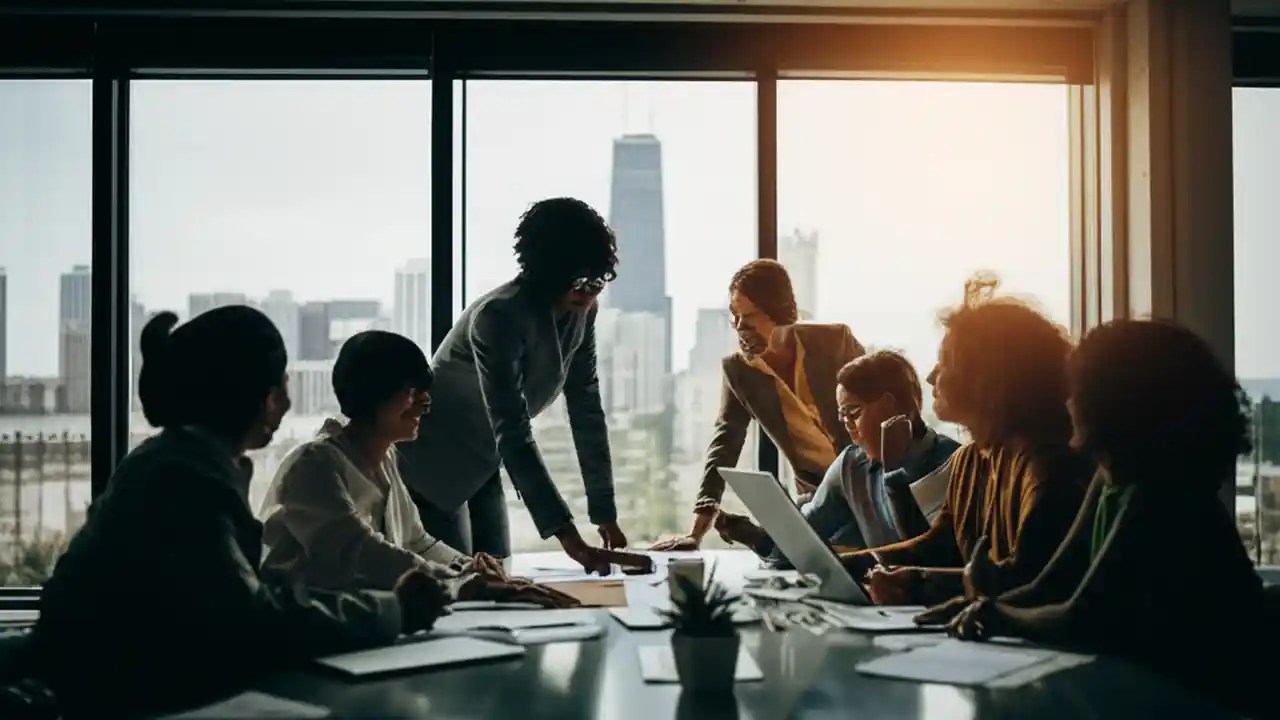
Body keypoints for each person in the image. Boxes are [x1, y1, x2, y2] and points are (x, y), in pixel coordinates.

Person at [30, 308, 450, 717]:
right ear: (260, 397)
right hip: (108, 694)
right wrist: (392, 610)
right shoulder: (182, 478)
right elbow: (250, 622)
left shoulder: (181, 463)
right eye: (282, 384)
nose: (287, 401)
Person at [925, 319, 1274, 717]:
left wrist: (994, 612)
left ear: (1112, 399)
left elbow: (1083, 615)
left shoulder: (1160, 493)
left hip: (1212, 702)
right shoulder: (1109, 481)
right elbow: (1051, 584)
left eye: (1076, 388)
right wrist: (973, 604)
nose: (1066, 401)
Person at [260, 330, 579, 608]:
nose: (425, 403)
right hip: (307, 629)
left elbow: (417, 541)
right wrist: (461, 583)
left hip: (360, 618)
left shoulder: (385, 459)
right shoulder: (315, 466)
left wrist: (468, 567)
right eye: (411, 393)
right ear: (372, 394)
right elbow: (361, 554)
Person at [399, 198, 627, 573]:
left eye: (598, 280)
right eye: (578, 280)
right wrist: (569, 537)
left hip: (484, 462)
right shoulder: (499, 315)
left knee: (499, 574)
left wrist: (604, 512)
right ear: (547, 270)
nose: (589, 292)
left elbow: (586, 408)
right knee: (459, 585)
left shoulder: (582, 312)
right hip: (429, 467)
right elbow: (513, 428)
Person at [841, 274, 1091, 606]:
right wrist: (849, 564)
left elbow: (1031, 580)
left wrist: (919, 583)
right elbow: (939, 547)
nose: (931, 376)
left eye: (945, 363)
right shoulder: (971, 459)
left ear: (986, 379)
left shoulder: (1050, 467)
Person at [651, 259, 865, 551]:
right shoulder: (740, 371)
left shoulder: (835, 341)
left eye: (750, 316)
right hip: (816, 497)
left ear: (779, 312)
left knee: (837, 550)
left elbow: (876, 405)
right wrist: (696, 533)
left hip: (863, 481)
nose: (740, 327)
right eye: (735, 316)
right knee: (814, 550)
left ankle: (769, 542)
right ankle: (774, 543)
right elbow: (725, 443)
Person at [712, 351, 961, 559]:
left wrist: (893, 471)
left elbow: (928, 556)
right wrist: (756, 537)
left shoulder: (953, 463)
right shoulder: (851, 465)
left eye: (853, 413)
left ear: (890, 405)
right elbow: (805, 540)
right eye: (842, 416)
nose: (847, 425)